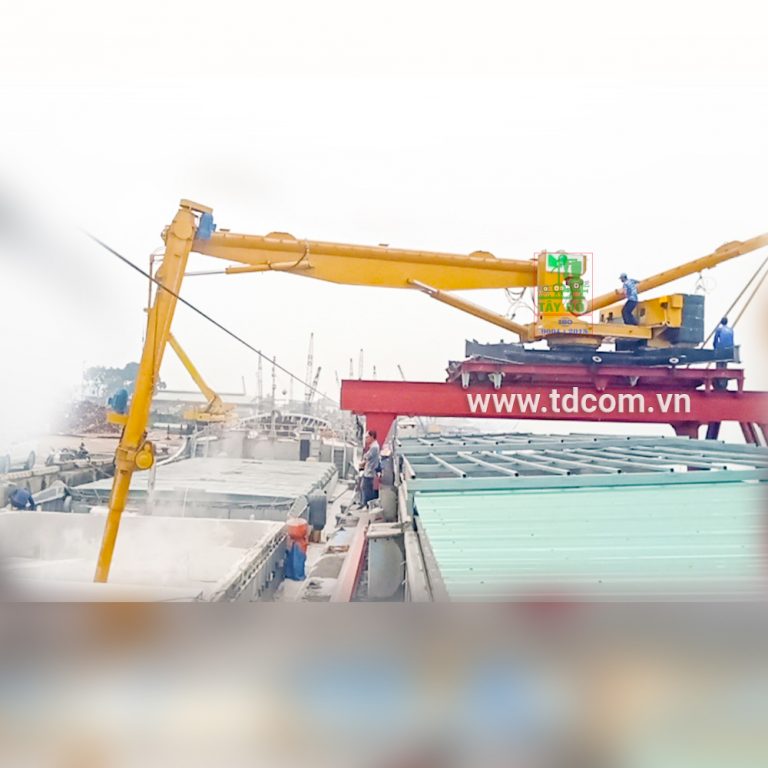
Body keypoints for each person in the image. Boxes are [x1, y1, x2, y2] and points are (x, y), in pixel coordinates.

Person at [358, 429, 380, 508]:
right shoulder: (373, 446)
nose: (366, 439)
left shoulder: (374, 447)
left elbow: (367, 456)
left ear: (372, 437)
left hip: (370, 471)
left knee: (366, 488)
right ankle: (365, 504)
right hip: (368, 470)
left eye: (367, 437)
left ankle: (366, 505)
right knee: (364, 487)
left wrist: (363, 461)